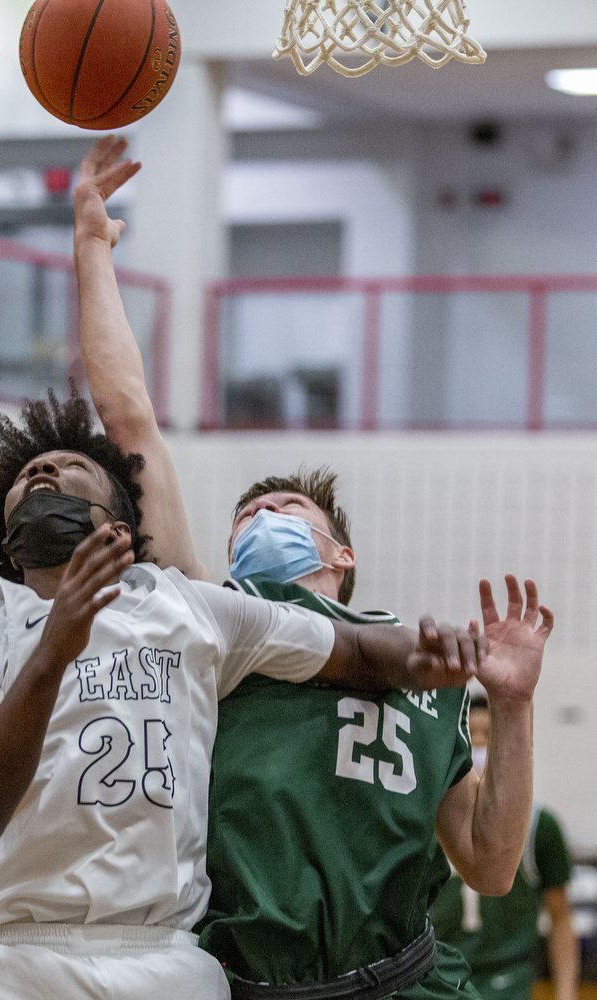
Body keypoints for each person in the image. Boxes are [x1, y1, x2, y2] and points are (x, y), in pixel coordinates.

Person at [72, 134, 555, 1000]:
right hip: (249, 983)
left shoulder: (430, 664)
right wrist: (92, 249)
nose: (260, 522)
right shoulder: (216, 619)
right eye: (245, 518)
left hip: (405, 981)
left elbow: (488, 862)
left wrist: (513, 710)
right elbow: (132, 422)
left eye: (285, 513)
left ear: (342, 555)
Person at [0, 390, 477, 1000]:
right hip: (18, 955)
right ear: (8, 533)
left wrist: (425, 653)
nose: (43, 471)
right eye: (27, 474)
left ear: (120, 527)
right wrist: (54, 649)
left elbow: (357, 649)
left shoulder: (187, 608)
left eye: (70, 466)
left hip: (166, 955)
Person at [431, 694, 579, 1000]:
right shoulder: (424, 822)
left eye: (490, 736)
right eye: (472, 735)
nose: (481, 746)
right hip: (440, 977)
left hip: (508, 979)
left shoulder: (540, 826)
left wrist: (566, 994)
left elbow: (560, 917)